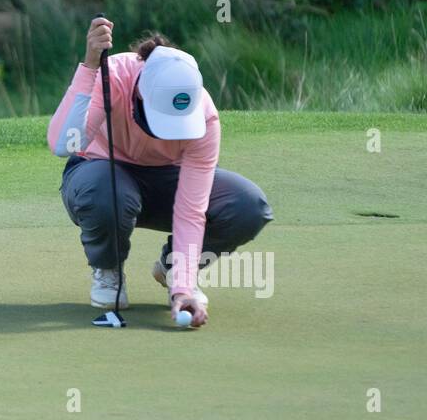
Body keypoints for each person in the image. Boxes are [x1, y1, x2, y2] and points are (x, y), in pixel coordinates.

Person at [47, 19, 273, 328]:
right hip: (100, 174)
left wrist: (183, 287)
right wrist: (89, 68)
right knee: (107, 193)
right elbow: (63, 144)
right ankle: (109, 268)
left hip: (168, 180)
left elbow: (192, 209)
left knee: (247, 205)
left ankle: (172, 269)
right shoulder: (112, 76)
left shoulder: (204, 116)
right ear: (139, 95)